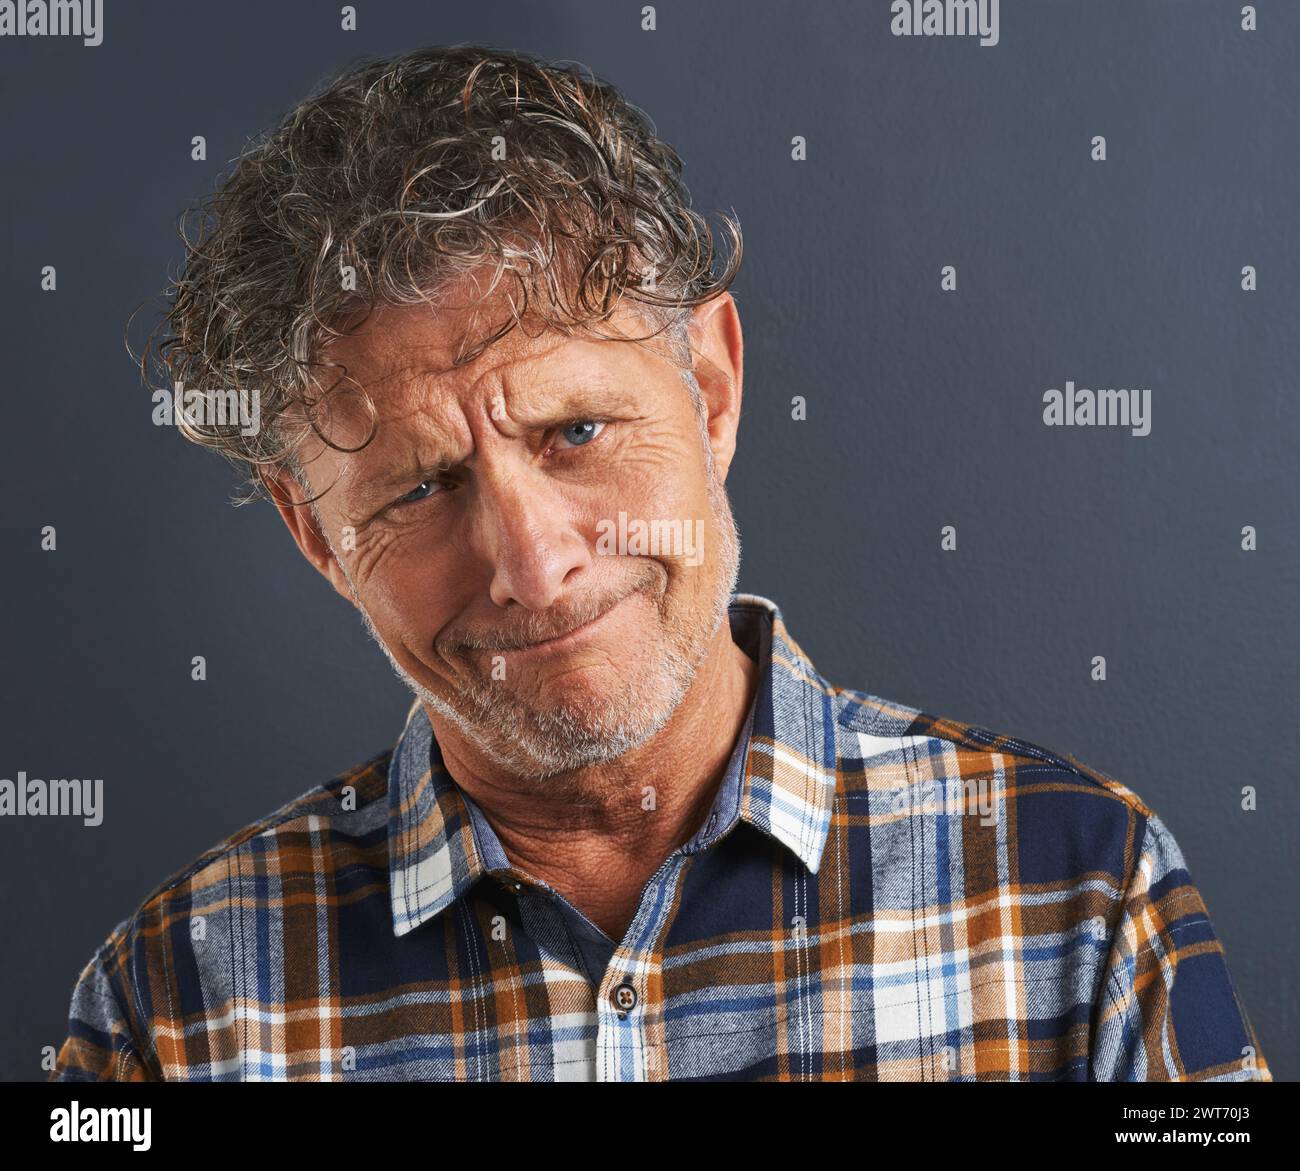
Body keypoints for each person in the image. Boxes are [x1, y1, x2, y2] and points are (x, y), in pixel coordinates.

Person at [52, 43, 1271, 1082]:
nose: (531, 566)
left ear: (713, 387)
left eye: (575, 432)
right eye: (422, 487)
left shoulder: (1079, 894)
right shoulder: (175, 1010)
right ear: (314, 533)